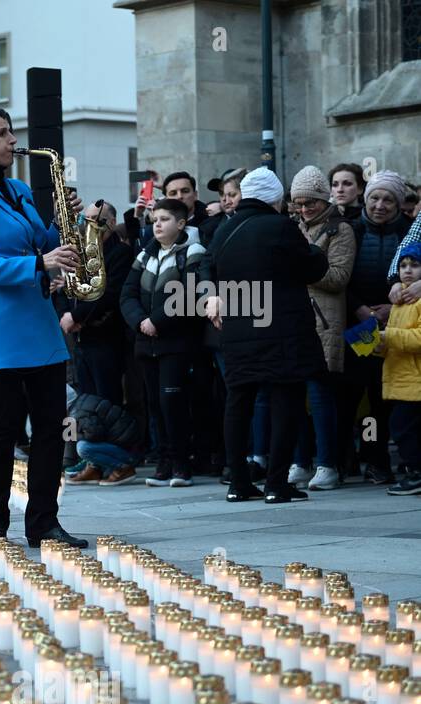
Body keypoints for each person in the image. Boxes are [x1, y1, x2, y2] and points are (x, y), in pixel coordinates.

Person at [0, 105, 88, 548]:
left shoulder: (21, 190)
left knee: (51, 428)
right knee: (1, 432)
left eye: (11, 132)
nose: (12, 140)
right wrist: (40, 264)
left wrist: (77, 221)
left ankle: (45, 521)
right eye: (2, 134)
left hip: (38, 327)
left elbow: (46, 244)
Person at [206, 167, 329, 504]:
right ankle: (277, 484)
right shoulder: (281, 226)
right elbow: (314, 268)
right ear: (274, 198)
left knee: (239, 402)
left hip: (238, 329)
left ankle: (238, 483)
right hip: (283, 330)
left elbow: (210, 270)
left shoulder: (224, 230)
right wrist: (316, 251)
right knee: (284, 402)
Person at [120, 197, 210, 487]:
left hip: (177, 342)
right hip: (146, 343)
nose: (157, 224)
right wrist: (140, 322)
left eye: (165, 219)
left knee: (173, 401)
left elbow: (189, 293)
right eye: (155, 219)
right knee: (154, 404)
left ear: (181, 223)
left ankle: (182, 463)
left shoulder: (193, 251)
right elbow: (127, 294)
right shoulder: (146, 254)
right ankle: (164, 461)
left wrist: (156, 321)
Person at [288, 165, 356, 491]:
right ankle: (301, 461)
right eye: (299, 203)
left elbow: (338, 278)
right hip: (296, 320)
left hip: (325, 322)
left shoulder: (340, 229)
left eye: (310, 202)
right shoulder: (293, 227)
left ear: (322, 198)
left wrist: (300, 268)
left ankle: (327, 463)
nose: (304, 209)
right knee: (295, 394)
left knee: (320, 396)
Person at [342, 170, 411, 485]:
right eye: (375, 198)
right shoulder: (351, 231)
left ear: (398, 205)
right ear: (365, 199)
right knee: (356, 393)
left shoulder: (410, 233)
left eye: (388, 200)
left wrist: (391, 309)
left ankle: (378, 458)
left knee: (384, 397)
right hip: (360, 324)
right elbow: (341, 277)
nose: (380, 205)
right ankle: (353, 457)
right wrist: (361, 310)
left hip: (397, 323)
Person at [59, 202, 133, 406]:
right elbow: (66, 289)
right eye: (88, 219)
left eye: (97, 219)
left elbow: (109, 295)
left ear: (111, 222)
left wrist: (76, 316)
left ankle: (109, 440)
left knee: (107, 401)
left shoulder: (121, 253)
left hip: (106, 339)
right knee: (86, 402)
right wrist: (67, 315)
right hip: (80, 340)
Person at [377, 243, 421, 494]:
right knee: (405, 427)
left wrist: (389, 336)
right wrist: (376, 344)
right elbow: (393, 341)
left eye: (414, 265)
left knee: (402, 427)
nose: (407, 270)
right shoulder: (399, 303)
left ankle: (416, 472)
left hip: (415, 378)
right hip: (400, 376)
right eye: (403, 265)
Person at [63, 384, 141, 486]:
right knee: (85, 442)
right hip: (127, 445)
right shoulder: (81, 401)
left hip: (129, 452)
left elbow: (95, 435)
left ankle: (123, 468)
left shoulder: (78, 413)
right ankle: (94, 470)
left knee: (83, 447)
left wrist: (77, 435)